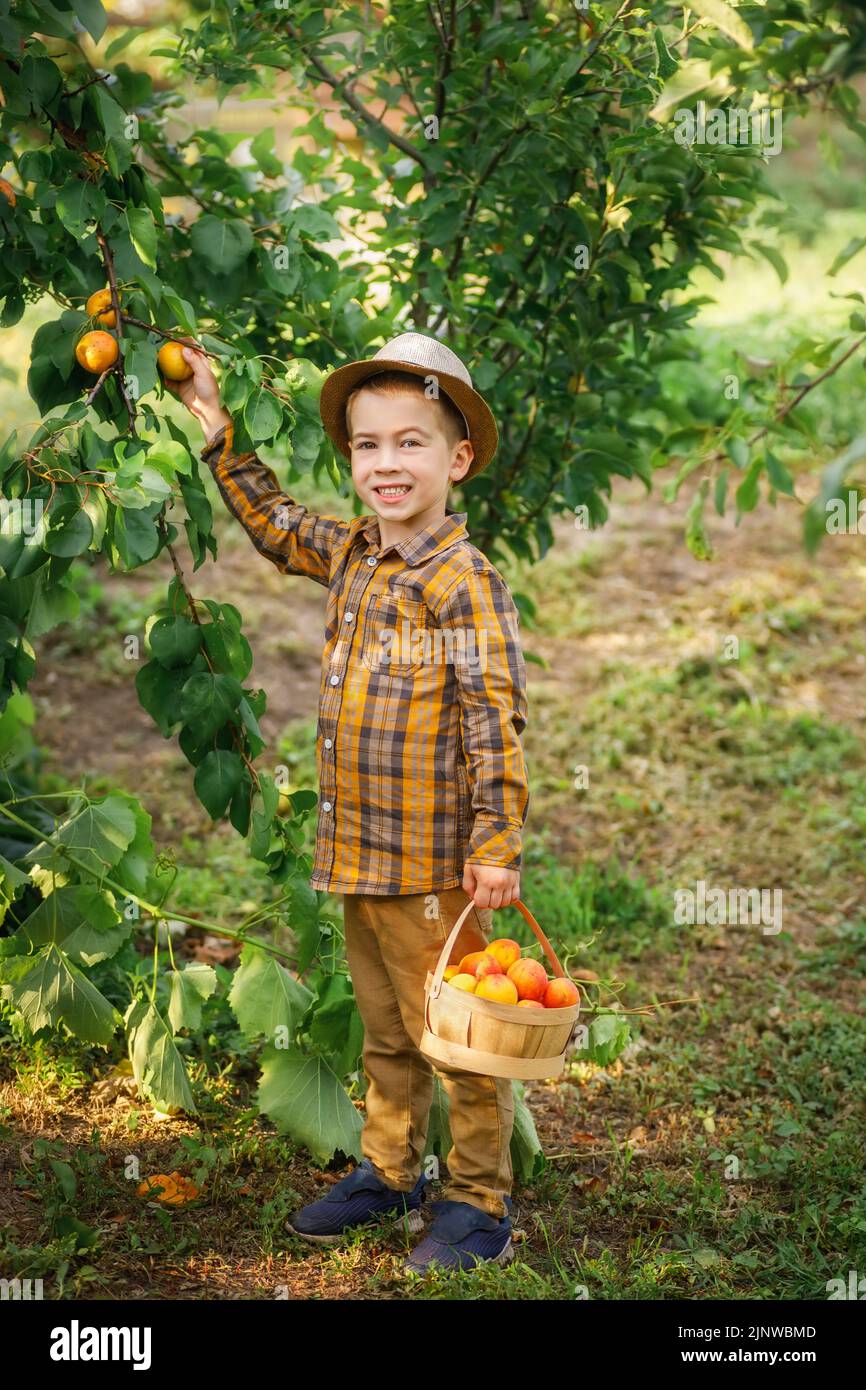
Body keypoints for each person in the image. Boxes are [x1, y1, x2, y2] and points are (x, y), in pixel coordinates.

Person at [166, 332, 530, 1275]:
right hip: (362, 851)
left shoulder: (462, 581)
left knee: (458, 1035)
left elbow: (492, 715)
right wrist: (213, 418)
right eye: (368, 445)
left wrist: (496, 842)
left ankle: (480, 1201)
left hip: (432, 862)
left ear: (458, 459)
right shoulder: (357, 553)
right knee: (386, 1030)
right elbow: (278, 524)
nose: (386, 464)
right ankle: (391, 1169)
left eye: (411, 443)